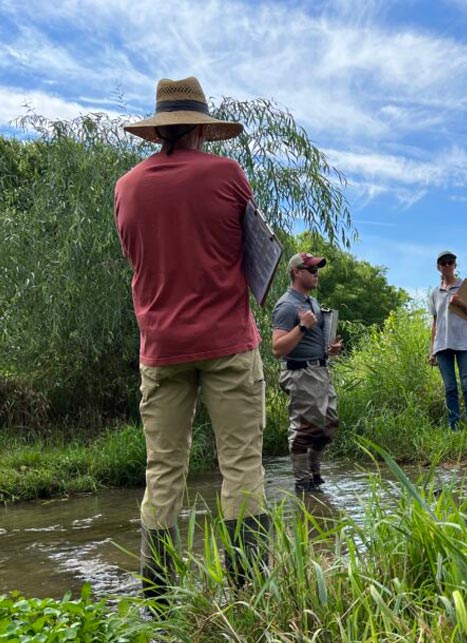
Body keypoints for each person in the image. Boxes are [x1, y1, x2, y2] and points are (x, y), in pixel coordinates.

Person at [115, 76, 268, 594]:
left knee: (163, 468)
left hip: (160, 347)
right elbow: (252, 250)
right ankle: (249, 587)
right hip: (228, 342)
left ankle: (157, 595)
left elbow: (137, 259)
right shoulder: (227, 174)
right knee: (241, 464)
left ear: (158, 131)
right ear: (203, 125)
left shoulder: (127, 186)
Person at [272, 252, 343, 492]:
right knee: (306, 428)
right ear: (296, 272)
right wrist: (302, 326)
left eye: (317, 269)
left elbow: (312, 337)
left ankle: (314, 470)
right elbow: (277, 348)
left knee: (330, 424)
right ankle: (303, 483)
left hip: (320, 371)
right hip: (300, 374)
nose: (316, 274)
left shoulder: (310, 301)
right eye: (311, 270)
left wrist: (330, 349)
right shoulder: (286, 305)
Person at [428, 250, 467, 439]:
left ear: (455, 265)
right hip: (442, 345)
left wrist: (462, 304)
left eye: (450, 262)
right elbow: (435, 322)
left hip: (464, 343)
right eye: (443, 263)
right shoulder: (435, 292)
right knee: (450, 387)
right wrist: (431, 350)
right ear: (438, 267)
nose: (447, 265)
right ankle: (454, 428)